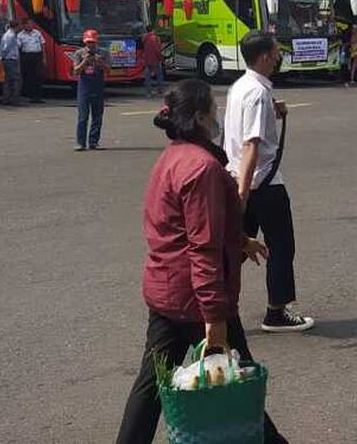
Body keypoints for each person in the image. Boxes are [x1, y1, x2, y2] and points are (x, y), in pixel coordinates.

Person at [115, 79, 286, 444]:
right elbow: (202, 247)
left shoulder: (174, 156)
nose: (218, 115)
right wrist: (214, 316)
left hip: (166, 291)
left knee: (151, 387)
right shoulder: (203, 167)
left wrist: (240, 241)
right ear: (199, 118)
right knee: (240, 384)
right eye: (214, 109)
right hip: (196, 299)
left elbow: (182, 226)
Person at [224, 30, 314, 333]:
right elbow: (251, 145)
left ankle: (211, 302)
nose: (278, 56)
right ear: (264, 57)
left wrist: (273, 114)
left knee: (236, 247)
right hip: (261, 184)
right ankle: (276, 310)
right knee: (280, 246)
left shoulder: (241, 86)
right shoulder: (258, 93)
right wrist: (244, 194)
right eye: (275, 51)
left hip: (239, 177)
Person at [71, 28, 110, 151]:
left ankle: (94, 141)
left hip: (98, 87)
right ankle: (80, 142)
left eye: (92, 42)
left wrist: (100, 63)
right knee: (83, 116)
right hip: (84, 88)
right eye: (88, 42)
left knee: (97, 116)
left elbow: (109, 70)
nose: (90, 45)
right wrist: (85, 61)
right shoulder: (79, 53)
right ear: (84, 42)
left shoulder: (103, 53)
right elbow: (75, 71)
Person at [17, 18, 47, 103]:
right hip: (27, 57)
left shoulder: (37, 33)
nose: (30, 26)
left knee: (39, 76)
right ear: (24, 25)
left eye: (31, 24)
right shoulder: (20, 35)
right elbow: (18, 48)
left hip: (37, 56)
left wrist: (44, 58)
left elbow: (42, 45)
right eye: (28, 24)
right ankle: (31, 96)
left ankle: (38, 96)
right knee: (29, 77)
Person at [0, 20, 22, 105]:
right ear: (16, 26)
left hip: (8, 59)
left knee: (8, 80)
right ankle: (15, 99)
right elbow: (5, 48)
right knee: (16, 79)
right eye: (19, 26)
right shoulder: (11, 36)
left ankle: (6, 98)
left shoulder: (8, 35)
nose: (20, 27)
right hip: (10, 59)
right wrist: (2, 57)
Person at [142, 26, 164, 98]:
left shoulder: (144, 38)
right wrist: (161, 58)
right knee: (159, 76)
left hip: (147, 60)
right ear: (153, 30)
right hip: (155, 60)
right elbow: (157, 49)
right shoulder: (155, 38)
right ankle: (160, 91)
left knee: (147, 77)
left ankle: (148, 92)